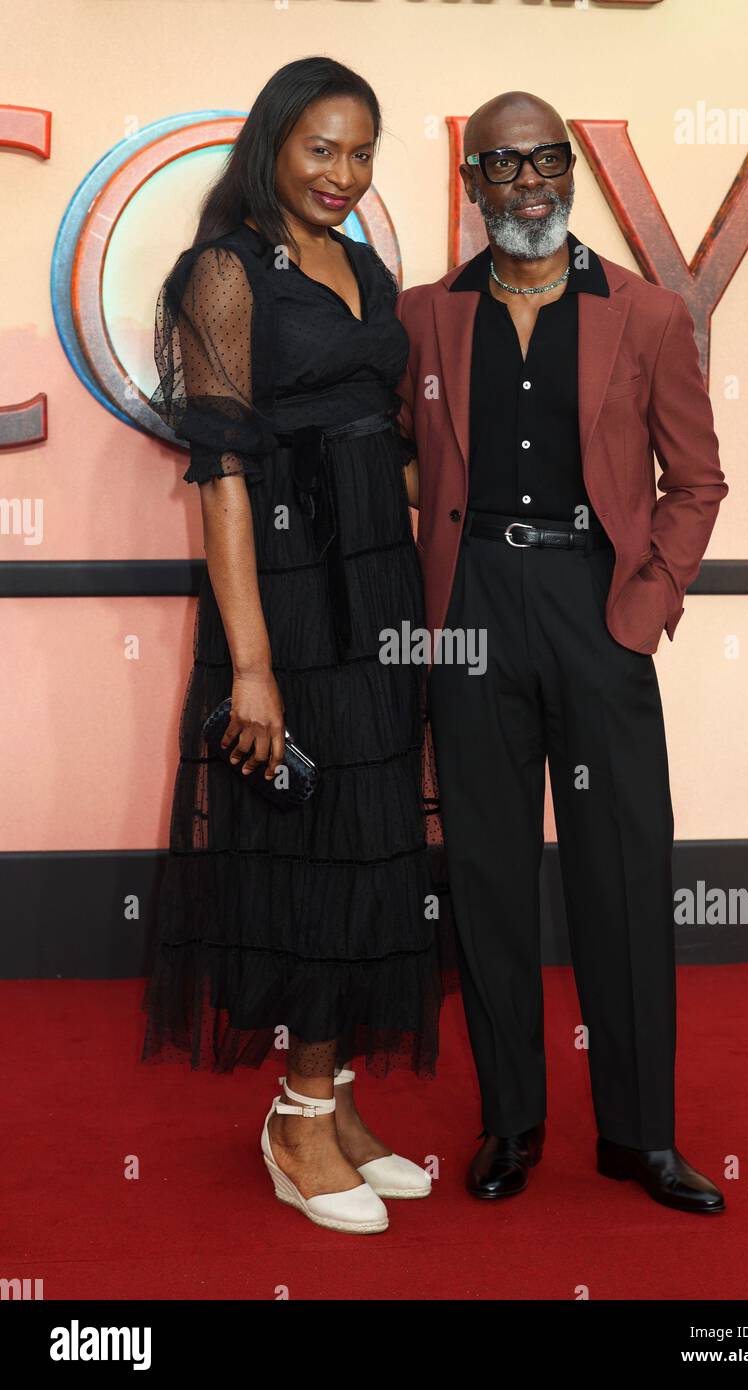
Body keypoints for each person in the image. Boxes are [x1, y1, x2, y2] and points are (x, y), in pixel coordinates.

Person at [393, 90, 729, 1213]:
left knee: (624, 873)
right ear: (472, 183)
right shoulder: (422, 318)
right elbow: (390, 461)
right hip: (472, 605)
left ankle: (640, 1138)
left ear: (569, 174)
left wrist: (640, 610)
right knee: (485, 875)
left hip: (595, 604)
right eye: (502, 164)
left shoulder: (641, 312)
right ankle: (509, 1124)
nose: (528, 182)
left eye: (546, 160)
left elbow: (697, 481)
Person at [141, 57, 455, 1236]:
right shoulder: (224, 272)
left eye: (362, 151)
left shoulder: (367, 269)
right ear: (275, 142)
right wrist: (254, 663)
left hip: (374, 589)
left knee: (373, 841)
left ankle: (338, 1100)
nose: (344, 173)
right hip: (282, 594)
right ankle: (292, 1119)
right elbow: (221, 472)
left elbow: (394, 443)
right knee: (304, 849)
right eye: (322, 147)